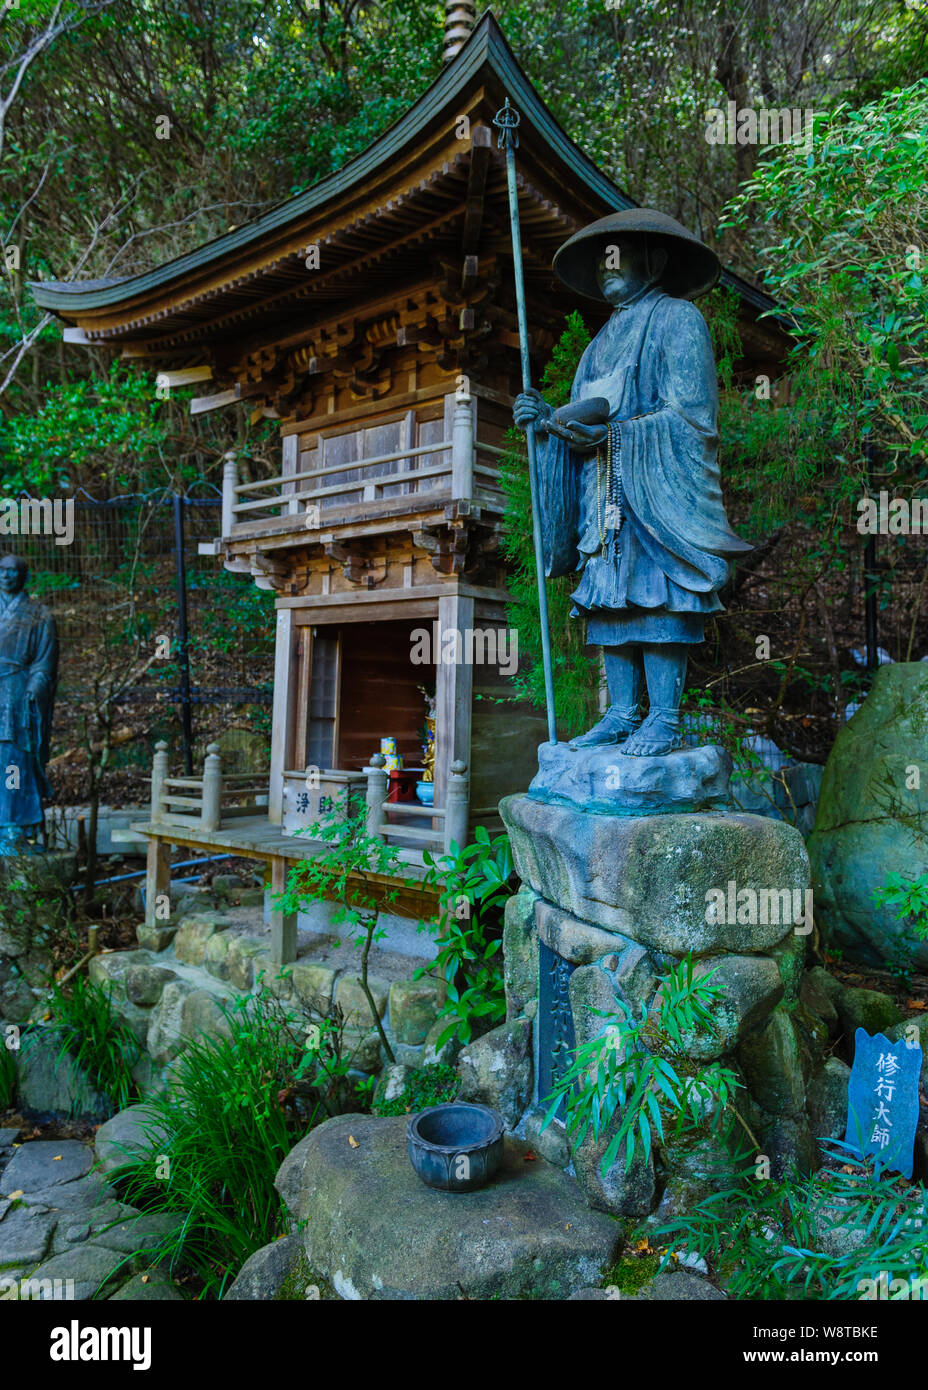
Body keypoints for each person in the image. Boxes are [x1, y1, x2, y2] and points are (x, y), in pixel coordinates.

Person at [513, 209, 751, 756]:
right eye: (602, 259)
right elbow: (579, 416)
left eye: (618, 255)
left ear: (657, 261)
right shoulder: (598, 344)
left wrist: (617, 438)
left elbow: (692, 417)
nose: (607, 266)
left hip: (652, 489)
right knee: (609, 599)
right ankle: (622, 712)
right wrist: (546, 421)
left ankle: (664, 718)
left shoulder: (677, 319)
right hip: (602, 493)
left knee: (658, 597)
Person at [0, 555, 58, 853]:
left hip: (16, 691)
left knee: (14, 759)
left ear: (24, 576)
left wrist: (35, 688)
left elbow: (44, 663)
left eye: (13, 571)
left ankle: (15, 826)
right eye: (2, 570)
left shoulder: (39, 614)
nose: (7, 576)